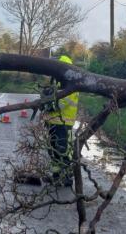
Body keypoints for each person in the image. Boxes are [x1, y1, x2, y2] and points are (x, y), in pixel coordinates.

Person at [42, 54, 80, 187]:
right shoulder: (58, 82)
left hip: (64, 123)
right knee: (53, 150)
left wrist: (48, 102)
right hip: (53, 122)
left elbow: (61, 103)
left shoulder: (71, 84)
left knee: (63, 151)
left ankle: (67, 177)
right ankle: (57, 176)